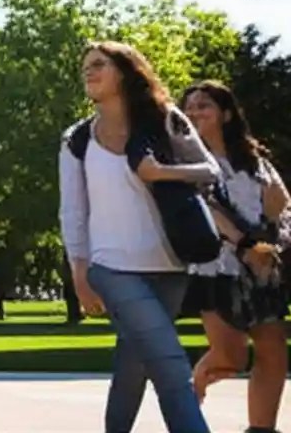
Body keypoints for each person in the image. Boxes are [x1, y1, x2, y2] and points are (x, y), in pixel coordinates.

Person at [58, 42, 214, 433]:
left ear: (125, 72)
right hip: (112, 268)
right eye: (85, 68)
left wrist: (158, 172)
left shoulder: (166, 120)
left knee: (134, 362)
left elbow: (210, 170)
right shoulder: (77, 140)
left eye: (99, 65)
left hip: (170, 264)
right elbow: (74, 213)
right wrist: (79, 273)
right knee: (170, 364)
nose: (89, 73)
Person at [181, 81, 288, 432]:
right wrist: (245, 246)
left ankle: (261, 429)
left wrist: (273, 233)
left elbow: (280, 204)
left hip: (261, 268)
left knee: (273, 353)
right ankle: (195, 380)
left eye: (204, 105)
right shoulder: (186, 160)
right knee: (231, 357)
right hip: (217, 266)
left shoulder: (254, 161)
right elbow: (207, 210)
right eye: (190, 106)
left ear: (225, 114)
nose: (195, 111)